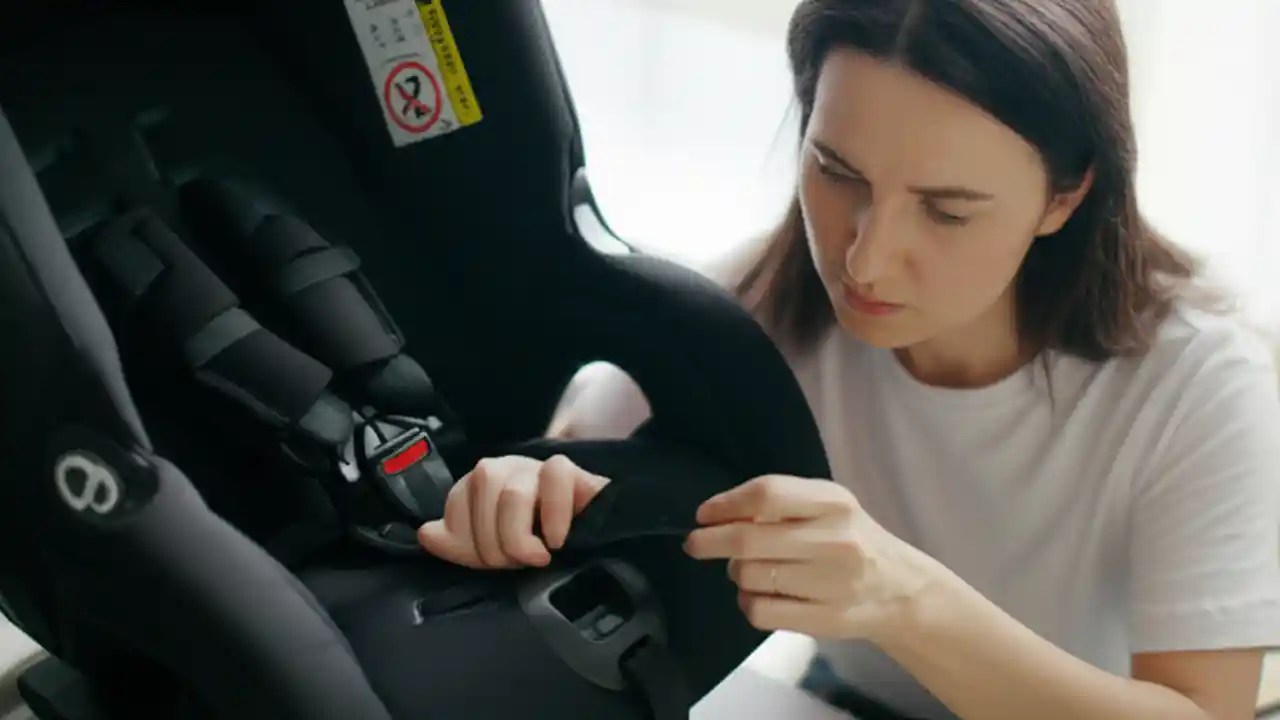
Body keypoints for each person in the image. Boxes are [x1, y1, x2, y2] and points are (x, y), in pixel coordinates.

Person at [417, 0, 1280, 717]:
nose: (864, 262)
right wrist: (528, 492)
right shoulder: (749, 316)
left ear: (1067, 192)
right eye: (836, 171)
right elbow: (570, 458)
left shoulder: (1201, 386)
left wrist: (907, 600)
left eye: (946, 211)